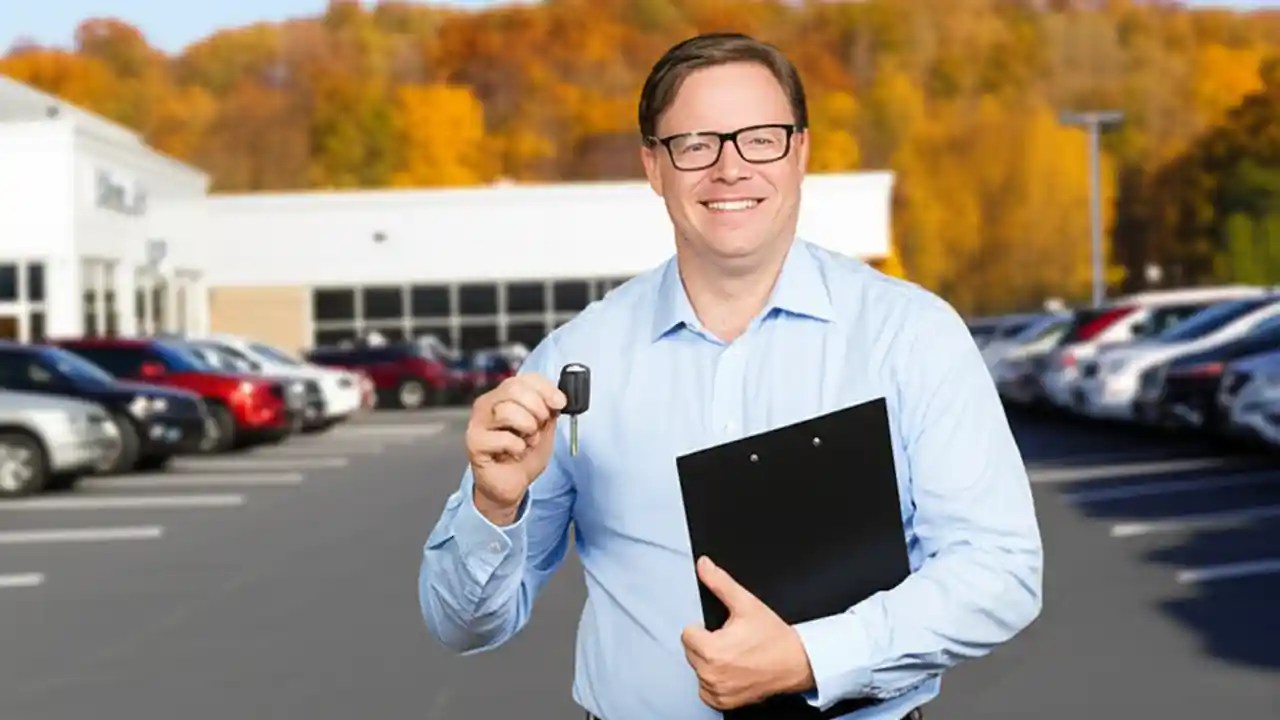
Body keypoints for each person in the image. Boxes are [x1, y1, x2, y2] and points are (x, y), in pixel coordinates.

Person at [418, 32, 1043, 720]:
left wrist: (812, 656)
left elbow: (999, 573)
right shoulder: (578, 360)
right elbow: (463, 625)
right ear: (654, 167)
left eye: (760, 139)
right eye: (696, 144)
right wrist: (494, 507)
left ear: (800, 151)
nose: (730, 168)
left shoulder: (910, 336)